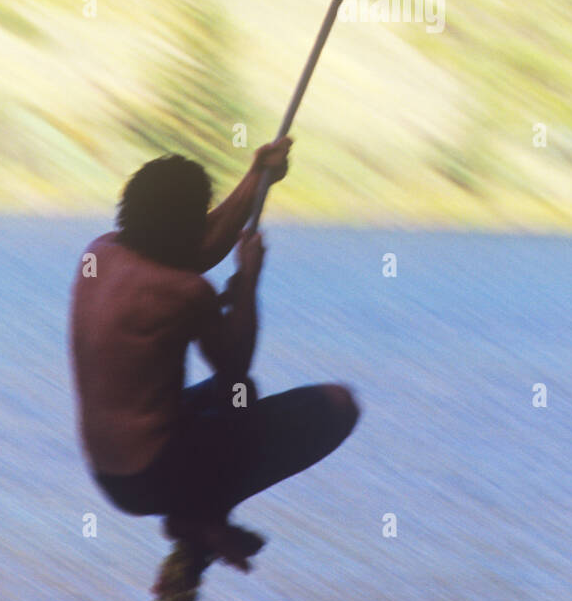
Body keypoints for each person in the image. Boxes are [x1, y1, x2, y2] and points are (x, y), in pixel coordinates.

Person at [69, 138, 359, 570]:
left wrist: (258, 176)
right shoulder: (185, 291)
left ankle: (199, 511)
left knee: (238, 395)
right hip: (155, 475)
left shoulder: (100, 253)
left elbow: (199, 248)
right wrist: (248, 282)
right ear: (183, 227)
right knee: (336, 405)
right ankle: (201, 514)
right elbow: (235, 359)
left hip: (110, 472)